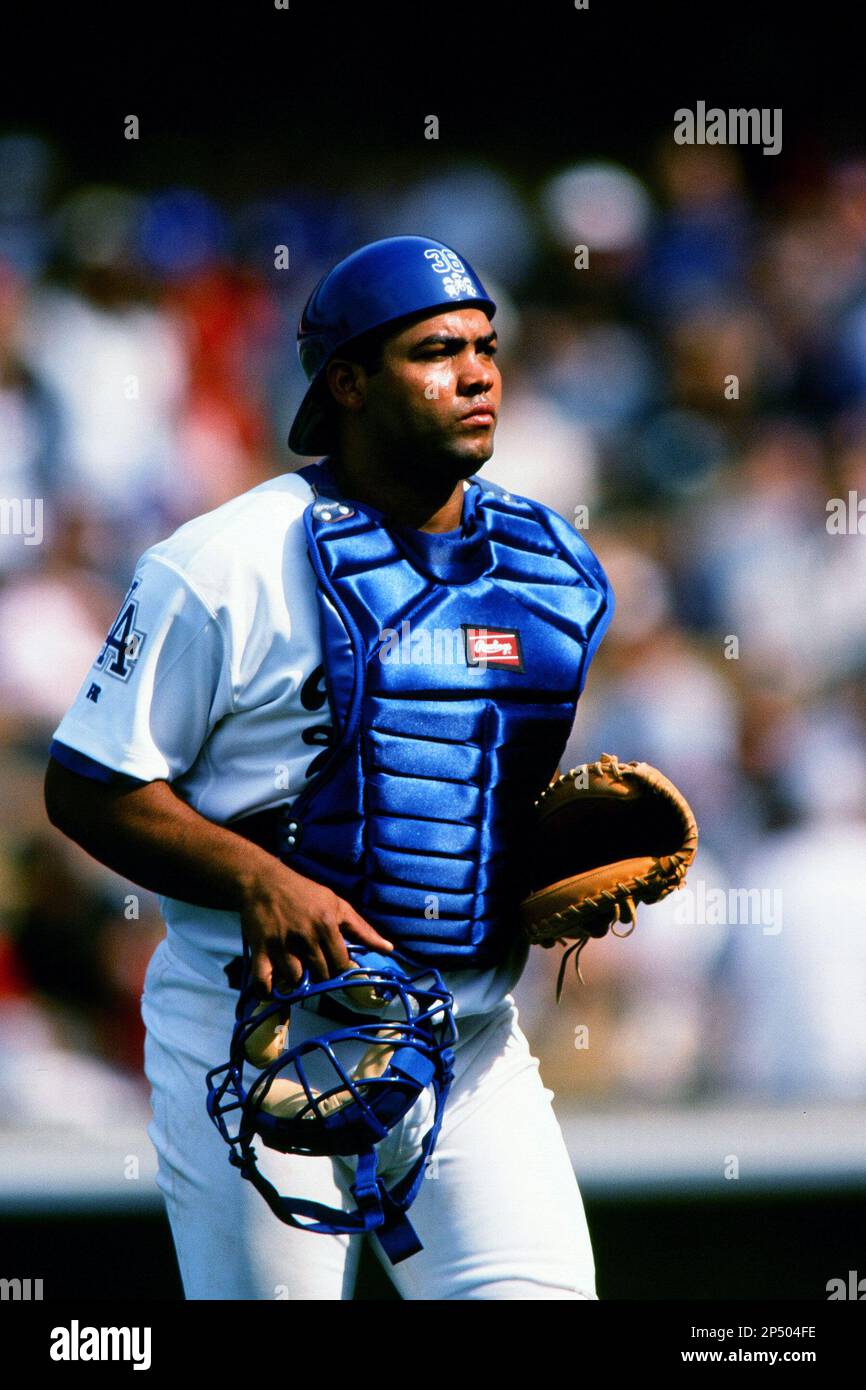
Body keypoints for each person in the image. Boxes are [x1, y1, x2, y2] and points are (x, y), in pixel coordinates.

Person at [44, 236, 615, 1300]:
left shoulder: (550, 565)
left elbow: (469, 788)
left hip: (467, 1037)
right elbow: (86, 783)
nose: (477, 370)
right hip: (260, 1038)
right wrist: (258, 876)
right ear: (345, 382)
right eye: (435, 349)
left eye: (485, 346)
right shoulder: (222, 562)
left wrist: (547, 867)